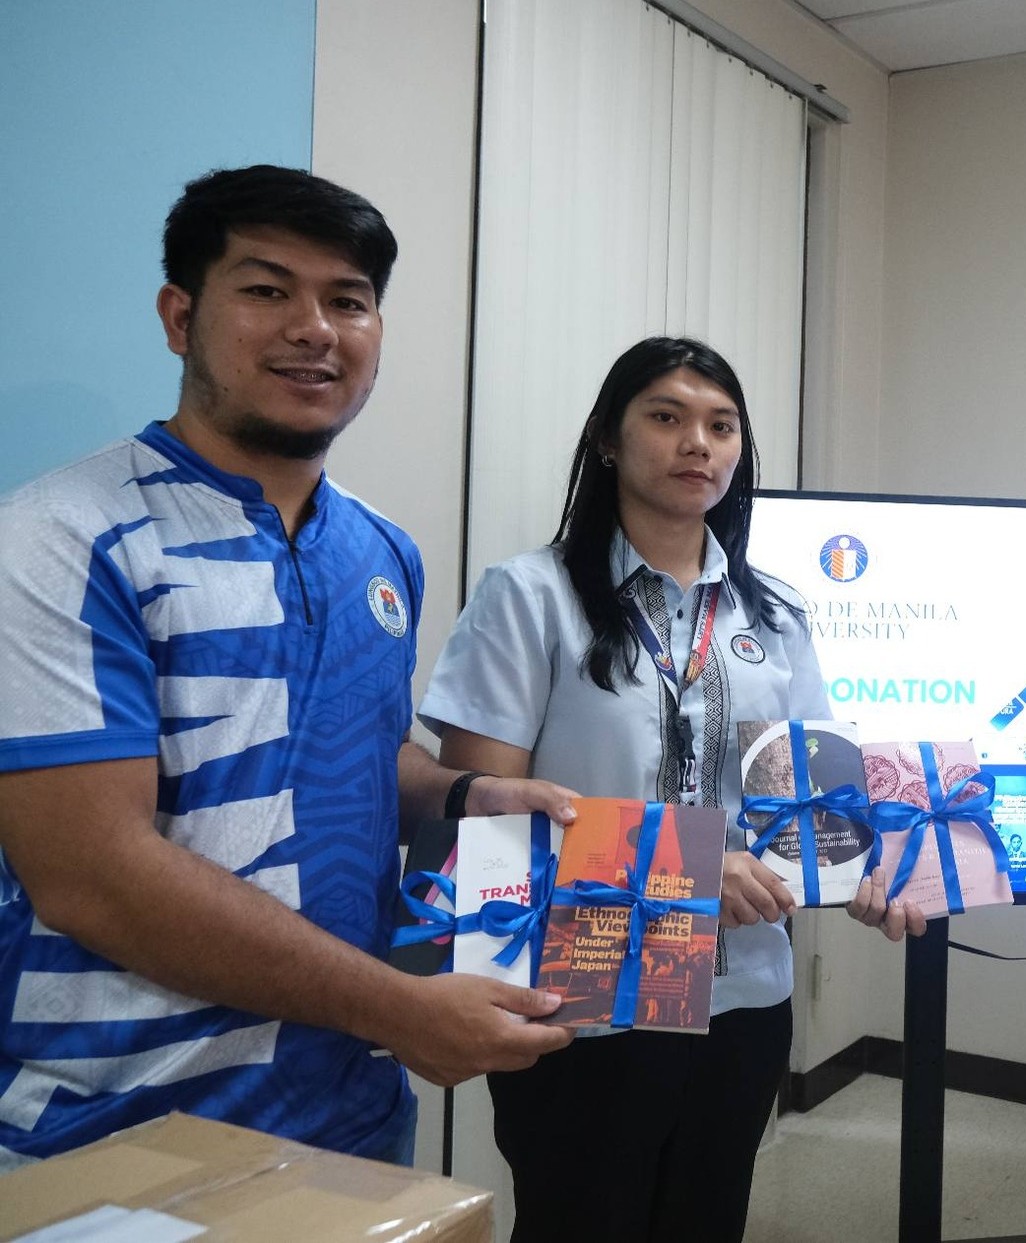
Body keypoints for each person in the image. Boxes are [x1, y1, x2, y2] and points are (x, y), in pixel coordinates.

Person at [0, 165, 577, 1170]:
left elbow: (348, 748)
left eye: (347, 300)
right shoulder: (61, 536)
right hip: (118, 1129)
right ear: (180, 317)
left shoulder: (381, 550)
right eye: (267, 289)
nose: (315, 328)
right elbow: (90, 876)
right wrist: (398, 1005)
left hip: (349, 1106)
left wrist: (466, 792)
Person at [419, 336, 921, 1242]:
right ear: (609, 439)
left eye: (721, 425)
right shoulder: (530, 596)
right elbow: (486, 830)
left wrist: (871, 868)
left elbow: (810, 806)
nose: (699, 442)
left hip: (741, 998)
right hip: (583, 996)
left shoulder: (776, 613)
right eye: (667, 416)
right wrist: (687, 870)